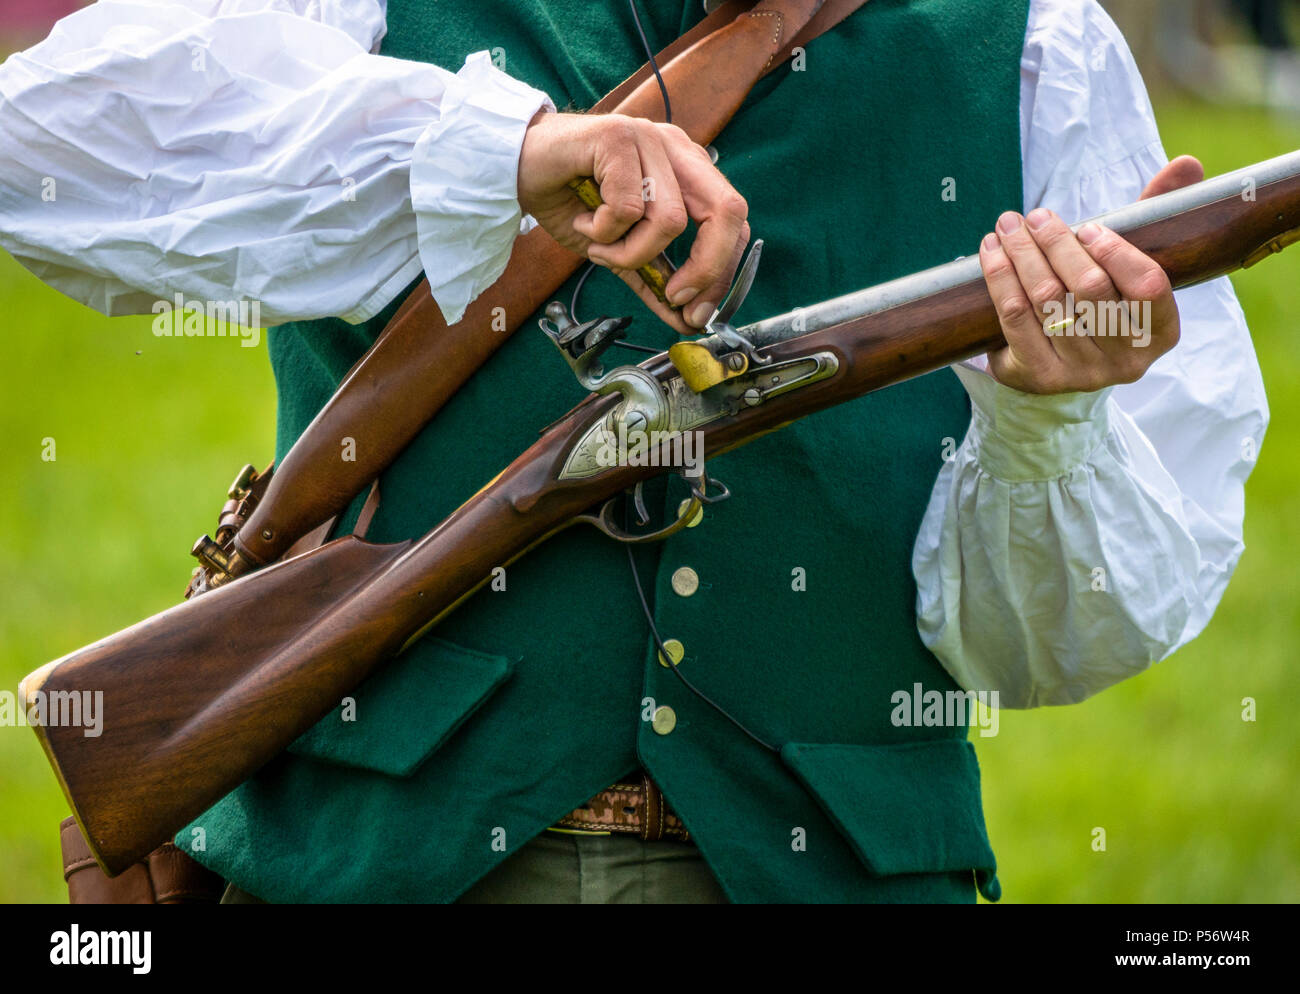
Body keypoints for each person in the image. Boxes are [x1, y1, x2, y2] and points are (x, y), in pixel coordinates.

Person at [0, 0, 1267, 903]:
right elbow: (41, 145)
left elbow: (1059, 643)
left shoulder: (1031, 46)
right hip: (388, 863)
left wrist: (1047, 417)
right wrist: (501, 154)